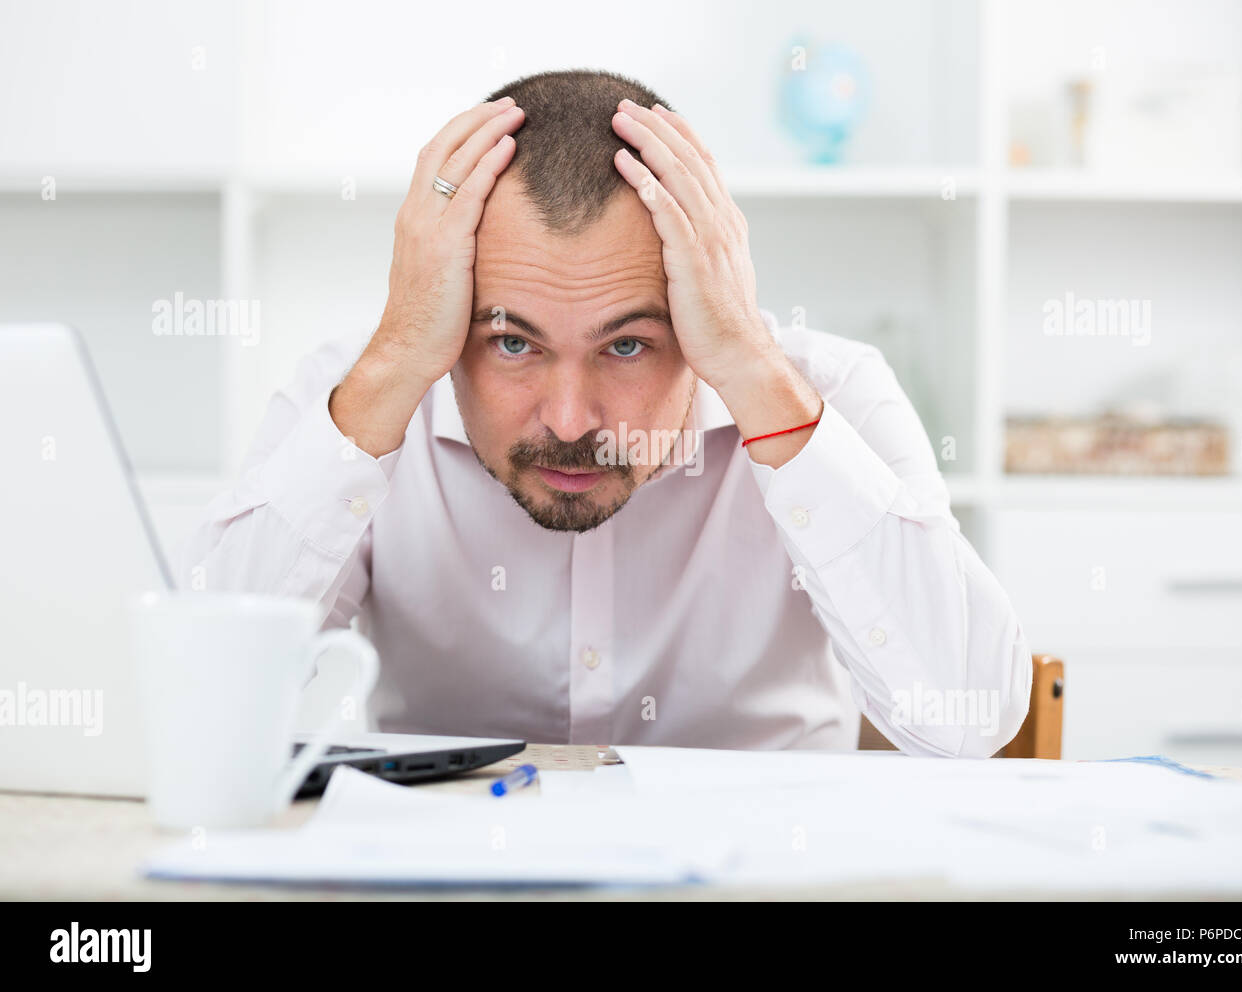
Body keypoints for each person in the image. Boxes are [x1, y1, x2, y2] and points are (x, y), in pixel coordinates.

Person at [185, 69, 1031, 756]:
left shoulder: (830, 395)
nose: (567, 418)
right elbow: (197, 694)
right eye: (513, 343)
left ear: (705, 301)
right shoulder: (362, 395)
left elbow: (968, 721)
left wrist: (747, 365)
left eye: (627, 345)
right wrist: (399, 356)